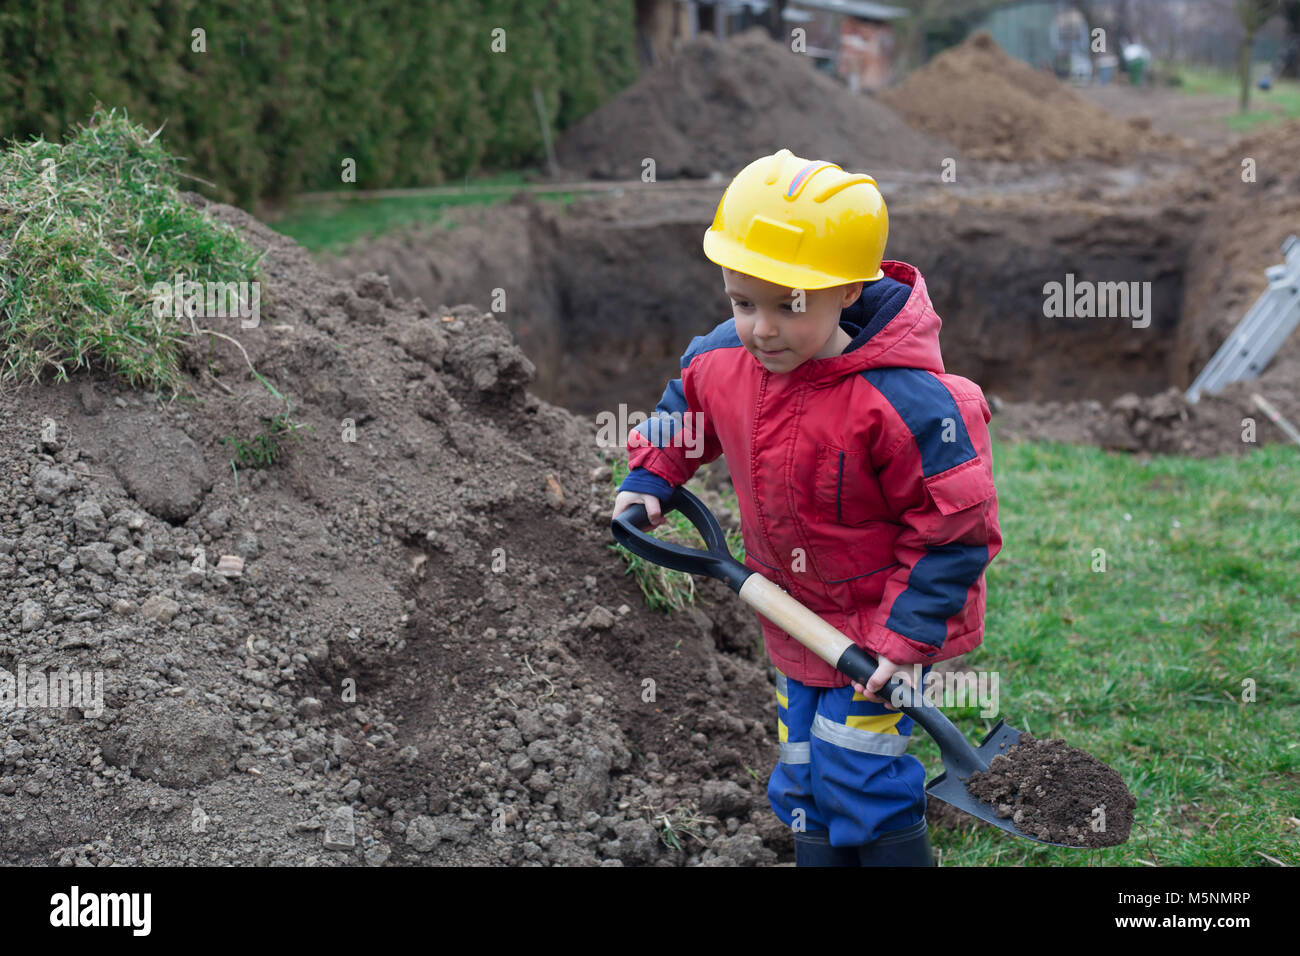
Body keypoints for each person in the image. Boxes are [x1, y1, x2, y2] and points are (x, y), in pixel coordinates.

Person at [610, 148, 1003, 867]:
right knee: (801, 774)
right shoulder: (724, 358)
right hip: (791, 615)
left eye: (789, 305)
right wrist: (652, 473)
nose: (760, 328)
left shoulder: (908, 403)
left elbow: (954, 532)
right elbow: (685, 410)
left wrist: (904, 638)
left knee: (859, 768)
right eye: (742, 301)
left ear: (849, 290)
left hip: (879, 629)